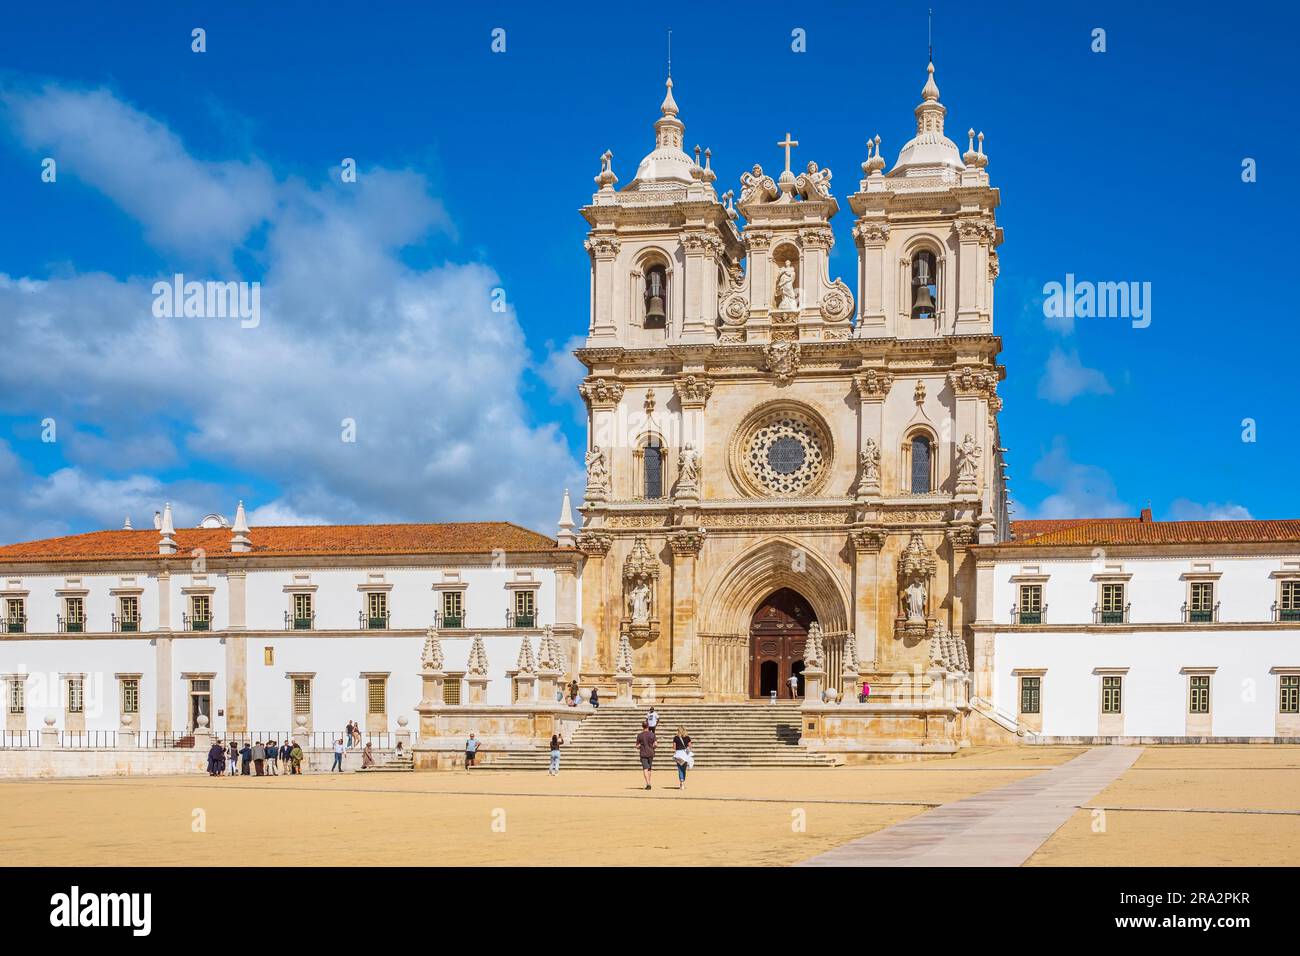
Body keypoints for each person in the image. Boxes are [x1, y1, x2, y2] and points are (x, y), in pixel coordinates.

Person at [635, 721, 656, 790]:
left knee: (645, 768)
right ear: (648, 726)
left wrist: (640, 746)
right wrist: (653, 747)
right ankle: (649, 782)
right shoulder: (652, 734)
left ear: (642, 726)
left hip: (643, 753)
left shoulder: (640, 735)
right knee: (649, 768)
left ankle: (648, 783)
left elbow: (637, 746)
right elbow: (655, 744)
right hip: (651, 752)